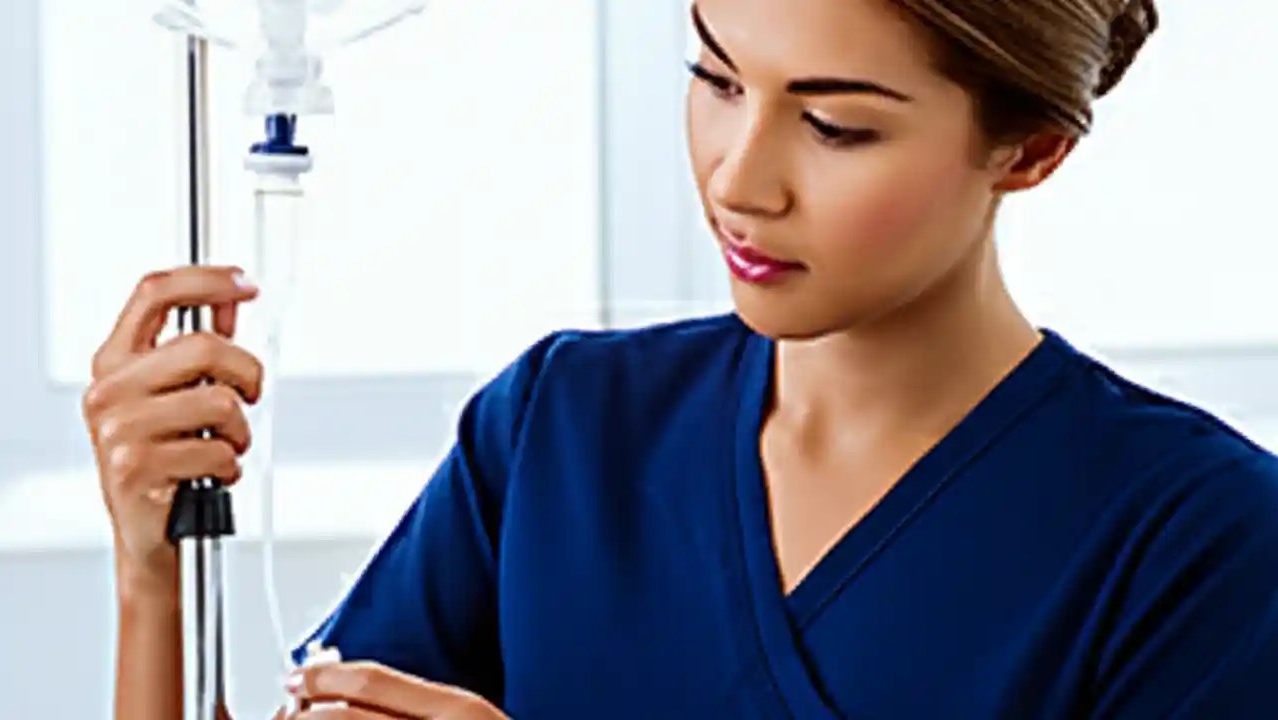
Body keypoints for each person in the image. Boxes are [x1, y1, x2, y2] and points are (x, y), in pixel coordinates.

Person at [83, 0, 1278, 718]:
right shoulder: (560, 433)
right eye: (712, 76)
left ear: (1026, 152)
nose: (735, 177)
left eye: (833, 124)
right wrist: (153, 575)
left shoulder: (1191, 543)